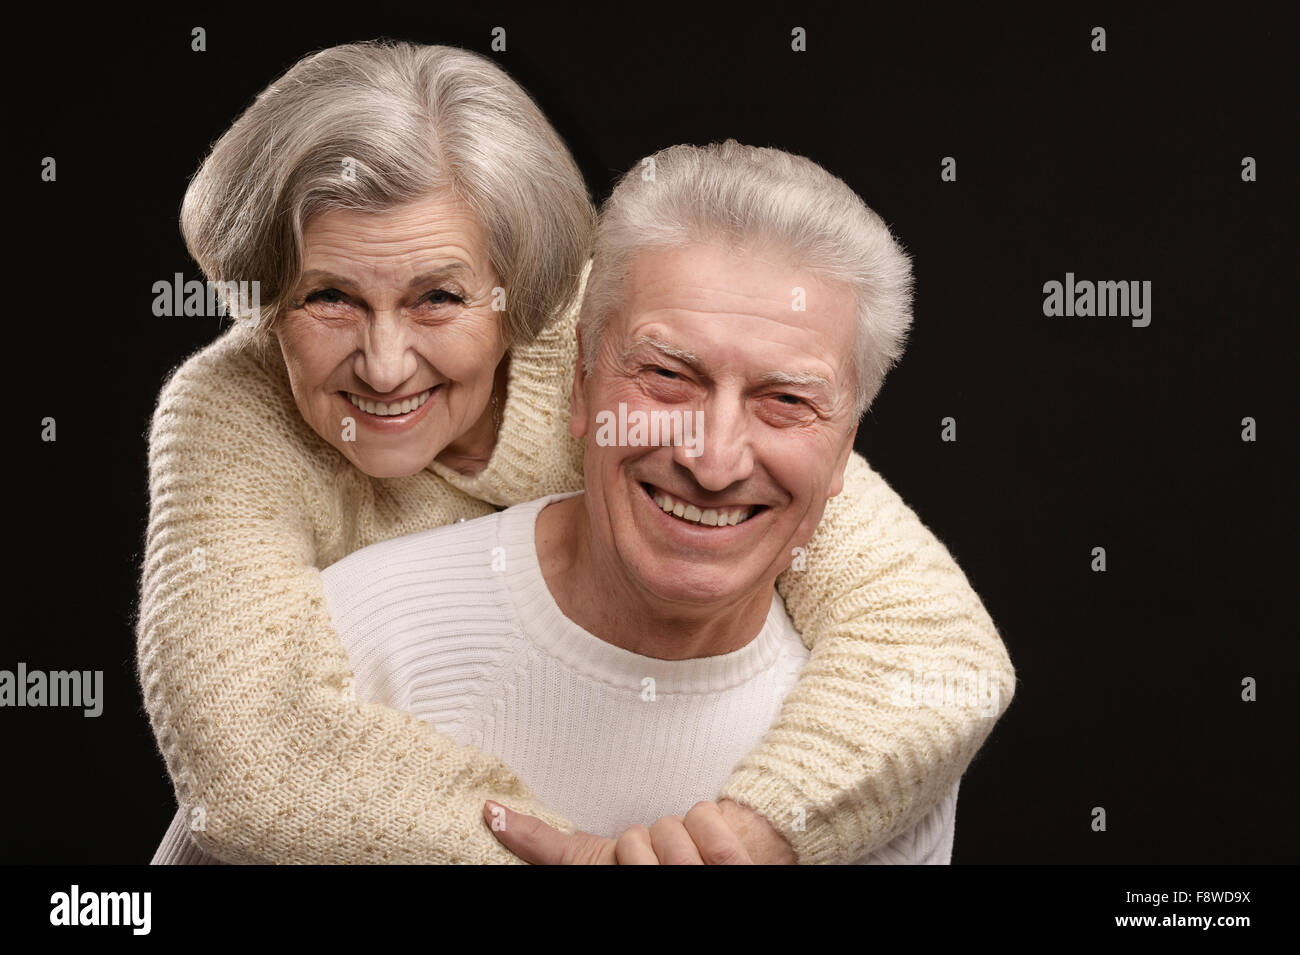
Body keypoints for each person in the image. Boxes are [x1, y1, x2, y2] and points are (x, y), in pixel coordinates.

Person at [139, 40, 1015, 865]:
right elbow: (244, 753)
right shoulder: (232, 417)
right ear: (265, 298)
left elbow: (939, 649)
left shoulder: (634, 340)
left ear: (522, 295)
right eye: (327, 296)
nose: (385, 363)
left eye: (439, 297)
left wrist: (752, 833)